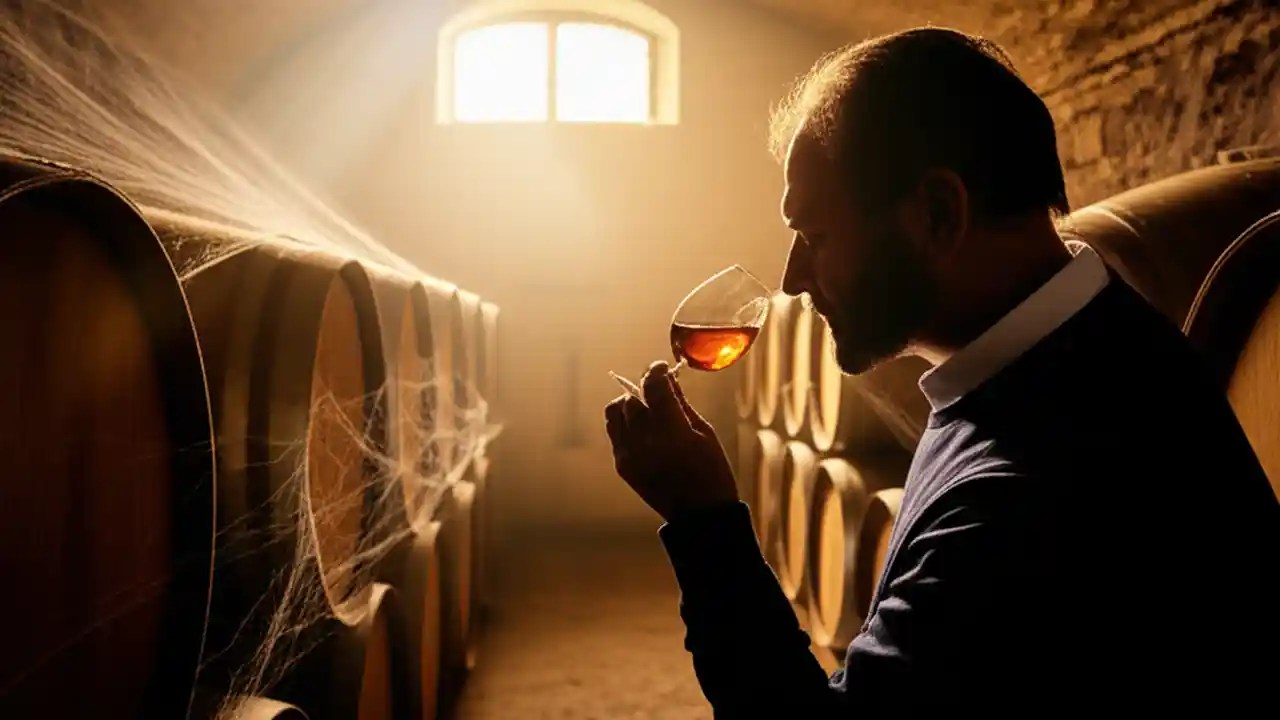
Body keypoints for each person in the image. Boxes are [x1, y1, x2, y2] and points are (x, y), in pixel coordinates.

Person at [603, 27, 1279, 717]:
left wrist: (703, 521)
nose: (793, 278)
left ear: (937, 215)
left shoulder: (1021, 494)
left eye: (815, 236)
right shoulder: (1078, 346)